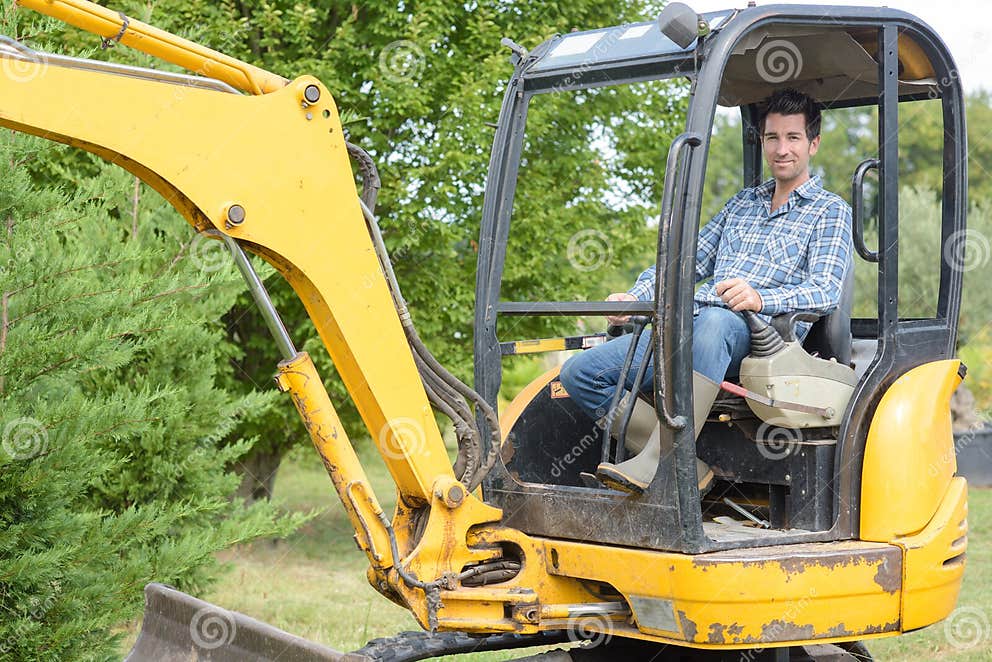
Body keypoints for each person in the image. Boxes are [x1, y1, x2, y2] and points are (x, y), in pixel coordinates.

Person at [559, 88, 853, 495]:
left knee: (716, 321)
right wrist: (637, 297)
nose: (782, 149)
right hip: (695, 325)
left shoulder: (829, 210)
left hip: (762, 338)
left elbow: (824, 290)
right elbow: (684, 263)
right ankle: (686, 464)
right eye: (772, 138)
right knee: (581, 374)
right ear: (762, 141)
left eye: (793, 137)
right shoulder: (742, 204)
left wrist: (760, 298)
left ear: (813, 143)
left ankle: (661, 461)